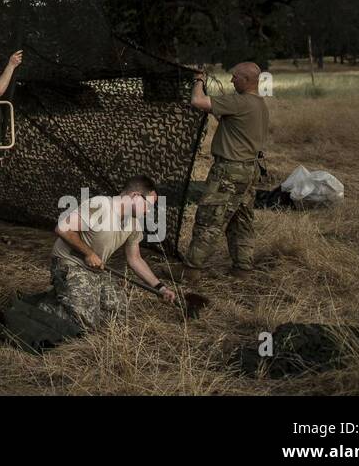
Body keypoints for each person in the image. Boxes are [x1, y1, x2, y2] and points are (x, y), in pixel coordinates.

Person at [51, 175, 178, 329]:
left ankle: (72, 297)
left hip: (96, 271)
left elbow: (135, 259)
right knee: (85, 320)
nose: (148, 211)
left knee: (118, 314)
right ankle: (48, 307)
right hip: (70, 264)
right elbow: (62, 228)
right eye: (148, 205)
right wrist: (88, 253)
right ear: (136, 196)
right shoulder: (100, 205)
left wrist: (160, 288)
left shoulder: (133, 223)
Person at [182, 62, 270, 282]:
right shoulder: (259, 104)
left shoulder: (239, 101)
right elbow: (229, 122)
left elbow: (197, 101)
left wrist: (199, 80)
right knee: (241, 220)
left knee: (210, 217)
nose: (231, 80)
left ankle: (191, 269)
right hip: (249, 170)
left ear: (247, 80)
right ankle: (242, 268)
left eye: (235, 77)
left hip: (229, 171)